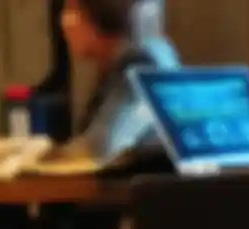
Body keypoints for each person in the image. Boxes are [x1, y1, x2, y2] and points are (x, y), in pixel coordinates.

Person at [59, 0, 178, 161]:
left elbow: (102, 147)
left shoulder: (137, 63)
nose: (64, 24)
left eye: (71, 11)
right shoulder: (144, 54)